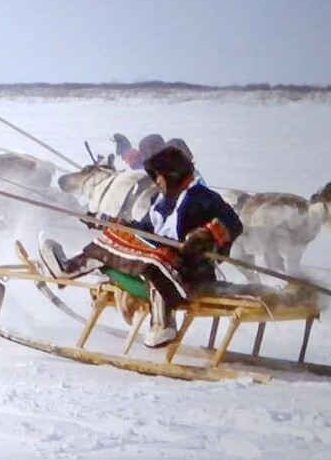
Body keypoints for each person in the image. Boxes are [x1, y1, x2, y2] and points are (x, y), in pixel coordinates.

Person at [38, 146, 243, 348]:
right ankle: (67, 270)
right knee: (116, 236)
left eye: (160, 176)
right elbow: (145, 229)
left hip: (191, 271)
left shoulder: (203, 197)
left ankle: (162, 325)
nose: (157, 181)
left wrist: (206, 237)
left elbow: (233, 224)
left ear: (173, 174)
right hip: (161, 258)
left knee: (156, 261)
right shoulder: (161, 200)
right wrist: (113, 223)